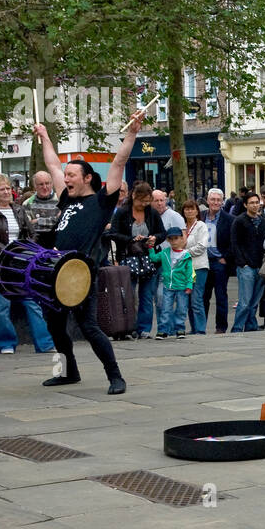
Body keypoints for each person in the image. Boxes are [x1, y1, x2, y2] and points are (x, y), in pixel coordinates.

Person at [33, 114, 139, 394]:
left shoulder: (102, 201)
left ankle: (116, 377)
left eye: (72, 175)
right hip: (57, 270)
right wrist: (44, 135)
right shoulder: (67, 197)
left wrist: (132, 134)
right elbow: (52, 163)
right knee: (55, 327)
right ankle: (66, 373)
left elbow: (119, 163)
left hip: (82, 272)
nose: (65, 178)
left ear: (87, 178)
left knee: (89, 327)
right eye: (66, 175)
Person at [0, 173, 55, 354]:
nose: (6, 192)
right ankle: (6, 342)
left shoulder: (19, 209)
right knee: (2, 305)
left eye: (8, 188)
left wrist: (27, 249)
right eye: (2, 189)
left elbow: (31, 232)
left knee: (32, 302)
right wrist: (6, 251)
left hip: (20, 263)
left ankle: (45, 343)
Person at [106, 182, 166, 339]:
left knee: (146, 296)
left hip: (148, 259)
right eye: (142, 201)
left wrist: (154, 238)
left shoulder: (152, 213)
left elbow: (162, 233)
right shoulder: (122, 212)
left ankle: (144, 329)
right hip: (128, 258)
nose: (144, 205)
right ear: (134, 196)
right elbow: (113, 233)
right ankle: (127, 328)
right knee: (128, 295)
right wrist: (131, 239)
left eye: (147, 201)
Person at [230, 191, 265, 332]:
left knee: (255, 301)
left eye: (257, 202)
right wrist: (242, 263)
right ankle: (237, 328)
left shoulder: (263, 222)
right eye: (252, 203)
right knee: (245, 301)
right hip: (246, 267)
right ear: (245, 204)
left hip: (260, 267)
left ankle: (251, 326)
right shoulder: (239, 221)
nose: (255, 205)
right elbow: (235, 243)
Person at [149, 226, 194, 338]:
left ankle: (179, 329)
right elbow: (154, 258)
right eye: (171, 239)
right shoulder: (165, 253)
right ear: (168, 240)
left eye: (176, 238)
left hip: (182, 287)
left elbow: (190, 272)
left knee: (181, 309)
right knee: (165, 309)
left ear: (181, 239)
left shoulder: (186, 255)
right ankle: (163, 330)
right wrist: (150, 247)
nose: (174, 241)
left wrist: (189, 285)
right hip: (168, 286)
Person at [202, 188, 234, 332]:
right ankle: (200, 326)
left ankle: (221, 327)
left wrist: (225, 257)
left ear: (222, 202)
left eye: (218, 200)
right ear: (208, 201)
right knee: (203, 296)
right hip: (203, 261)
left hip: (219, 262)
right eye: (213, 199)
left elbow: (233, 242)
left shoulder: (229, 219)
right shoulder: (200, 216)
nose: (215, 202)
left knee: (221, 295)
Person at [181, 199, 210, 335]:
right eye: (186, 209)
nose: (189, 211)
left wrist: (184, 252)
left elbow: (202, 246)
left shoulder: (201, 226)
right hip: (184, 268)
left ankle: (200, 329)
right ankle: (193, 328)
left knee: (196, 299)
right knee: (187, 299)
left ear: (197, 211)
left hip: (199, 267)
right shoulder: (182, 226)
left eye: (192, 209)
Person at [22, 171, 61, 248]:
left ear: (52, 184)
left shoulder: (61, 201)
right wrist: (54, 219)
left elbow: (62, 223)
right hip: (36, 246)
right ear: (35, 186)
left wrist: (38, 221)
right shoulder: (27, 204)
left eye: (47, 183)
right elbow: (29, 226)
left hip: (58, 244)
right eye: (41, 184)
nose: (45, 187)